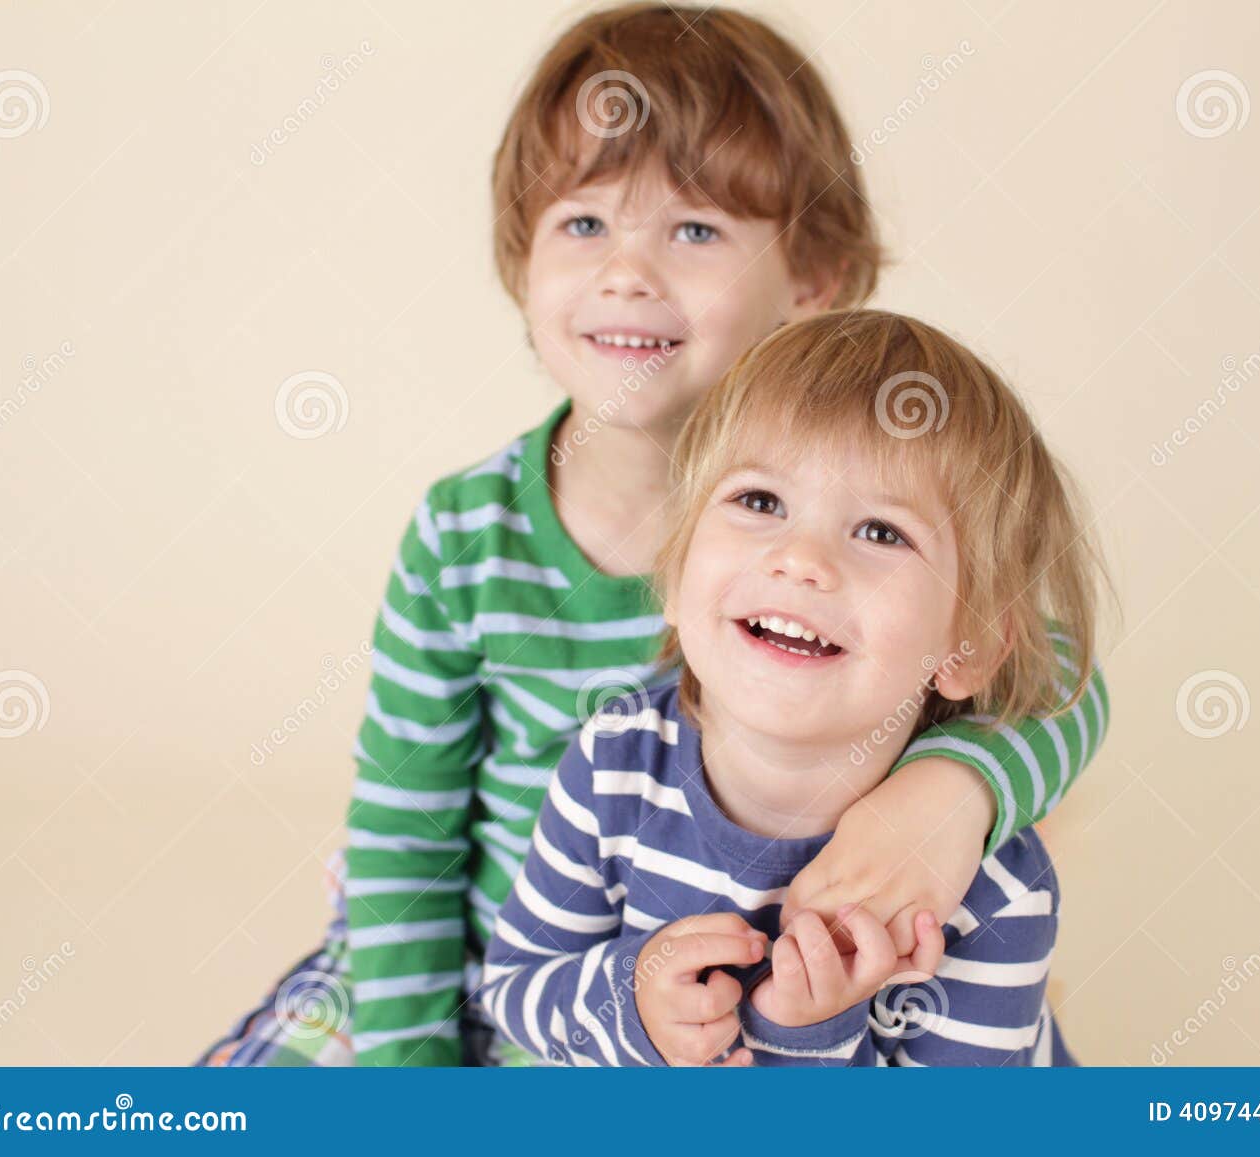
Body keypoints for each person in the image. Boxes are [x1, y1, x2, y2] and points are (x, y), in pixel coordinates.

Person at [199, 4, 1107, 1068]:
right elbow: (405, 838)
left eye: (694, 229)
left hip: (766, 996)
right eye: (585, 224)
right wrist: (414, 1072)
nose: (627, 272)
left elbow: (1055, 675)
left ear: (809, 282)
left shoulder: (862, 535)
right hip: (514, 976)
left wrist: (950, 794)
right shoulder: (462, 538)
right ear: (521, 260)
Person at [475, 309, 1102, 1066]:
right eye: (760, 502)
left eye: (881, 531)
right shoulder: (614, 764)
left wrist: (803, 1036)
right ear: (672, 575)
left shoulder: (990, 888)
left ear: (966, 648)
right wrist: (630, 1004)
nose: (800, 558)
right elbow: (513, 987)